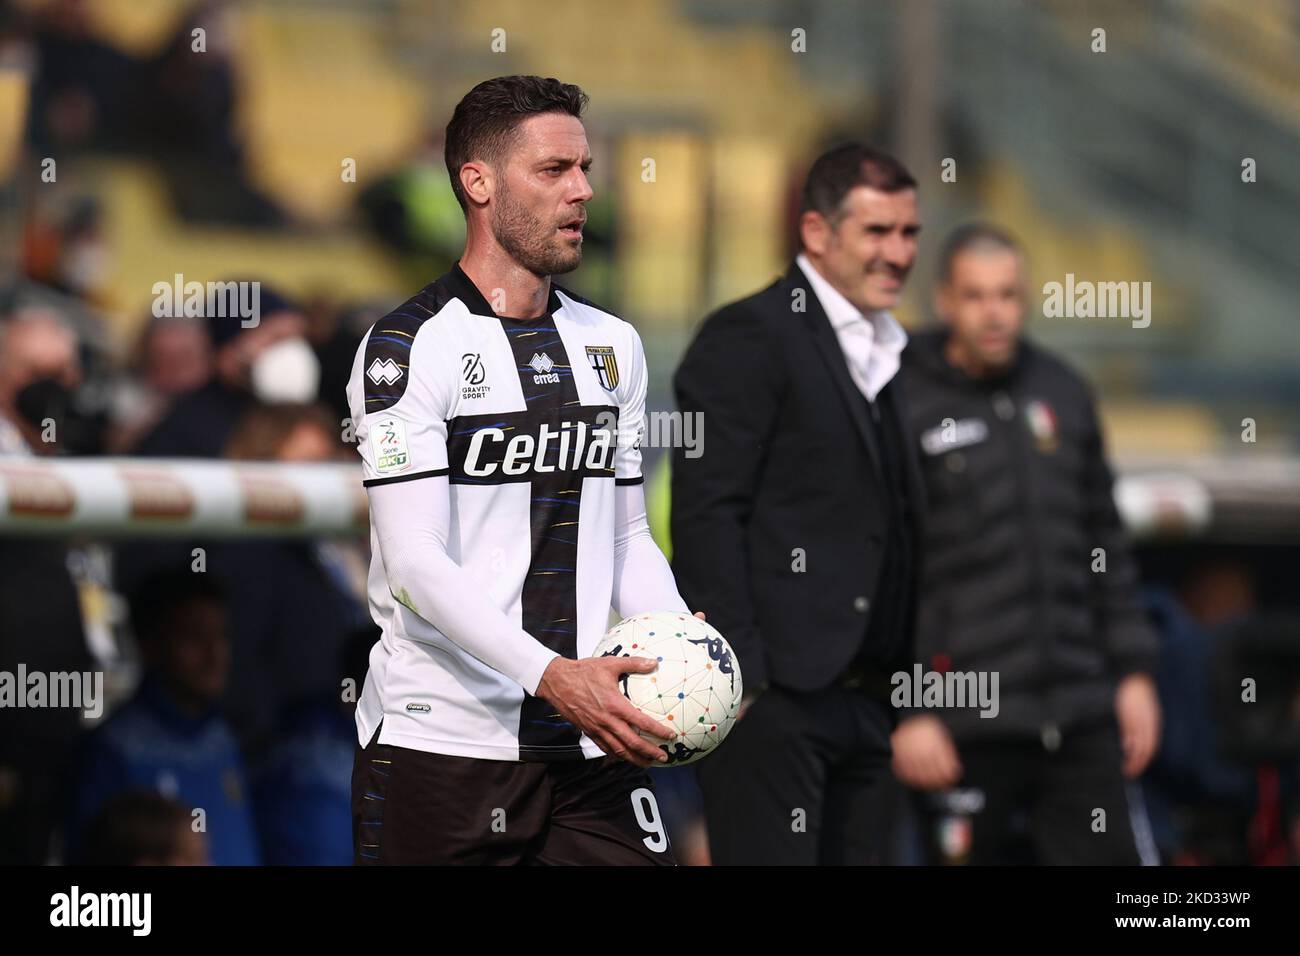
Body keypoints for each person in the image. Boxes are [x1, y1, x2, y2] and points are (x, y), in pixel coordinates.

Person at [346, 75, 699, 865]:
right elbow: (413, 568)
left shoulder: (613, 345)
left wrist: (676, 643)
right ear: (478, 183)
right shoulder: (408, 348)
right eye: (553, 170)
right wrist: (552, 676)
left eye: (585, 169)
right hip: (444, 749)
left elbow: (626, 537)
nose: (583, 191)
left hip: (591, 742)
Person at [671, 143, 927, 864]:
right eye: (877, 231)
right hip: (775, 702)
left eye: (909, 232)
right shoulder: (748, 335)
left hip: (872, 702)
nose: (898, 253)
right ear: (817, 232)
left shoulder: (897, 354)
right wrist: (744, 681)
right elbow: (707, 512)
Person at [891, 222, 1161, 865]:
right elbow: (887, 573)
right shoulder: (900, 398)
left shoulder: (1063, 390)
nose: (994, 313)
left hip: (1078, 713)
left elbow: (1105, 546)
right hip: (960, 724)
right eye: (976, 295)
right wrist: (908, 709)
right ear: (944, 300)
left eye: (1007, 295)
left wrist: (1133, 674)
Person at [69, 571, 261, 866]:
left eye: (221, 636)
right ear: (150, 646)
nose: (215, 654)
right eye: (194, 637)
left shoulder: (223, 738)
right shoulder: (114, 749)